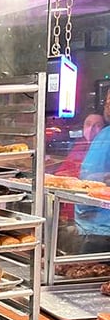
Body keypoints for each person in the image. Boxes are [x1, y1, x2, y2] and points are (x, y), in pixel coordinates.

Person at [73, 103, 110, 245]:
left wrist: (84, 213)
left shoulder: (106, 136)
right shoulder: (105, 135)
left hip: (100, 228)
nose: (107, 106)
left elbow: (90, 181)